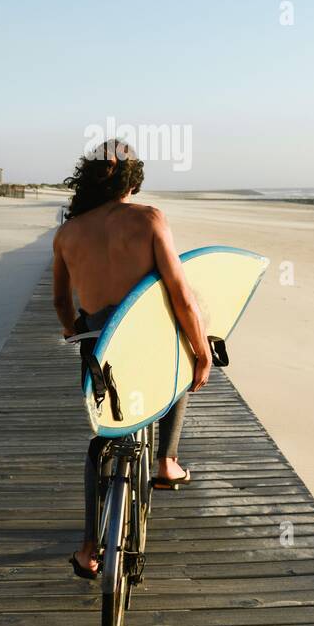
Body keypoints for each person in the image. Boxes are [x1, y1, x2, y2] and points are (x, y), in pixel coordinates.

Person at [52, 139, 212, 578]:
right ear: (132, 179)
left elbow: (61, 304)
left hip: (99, 344)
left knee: (103, 436)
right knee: (178, 359)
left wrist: (74, 331)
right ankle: (166, 461)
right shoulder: (149, 219)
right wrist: (200, 352)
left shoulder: (68, 233)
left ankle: (89, 548)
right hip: (145, 339)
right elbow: (180, 295)